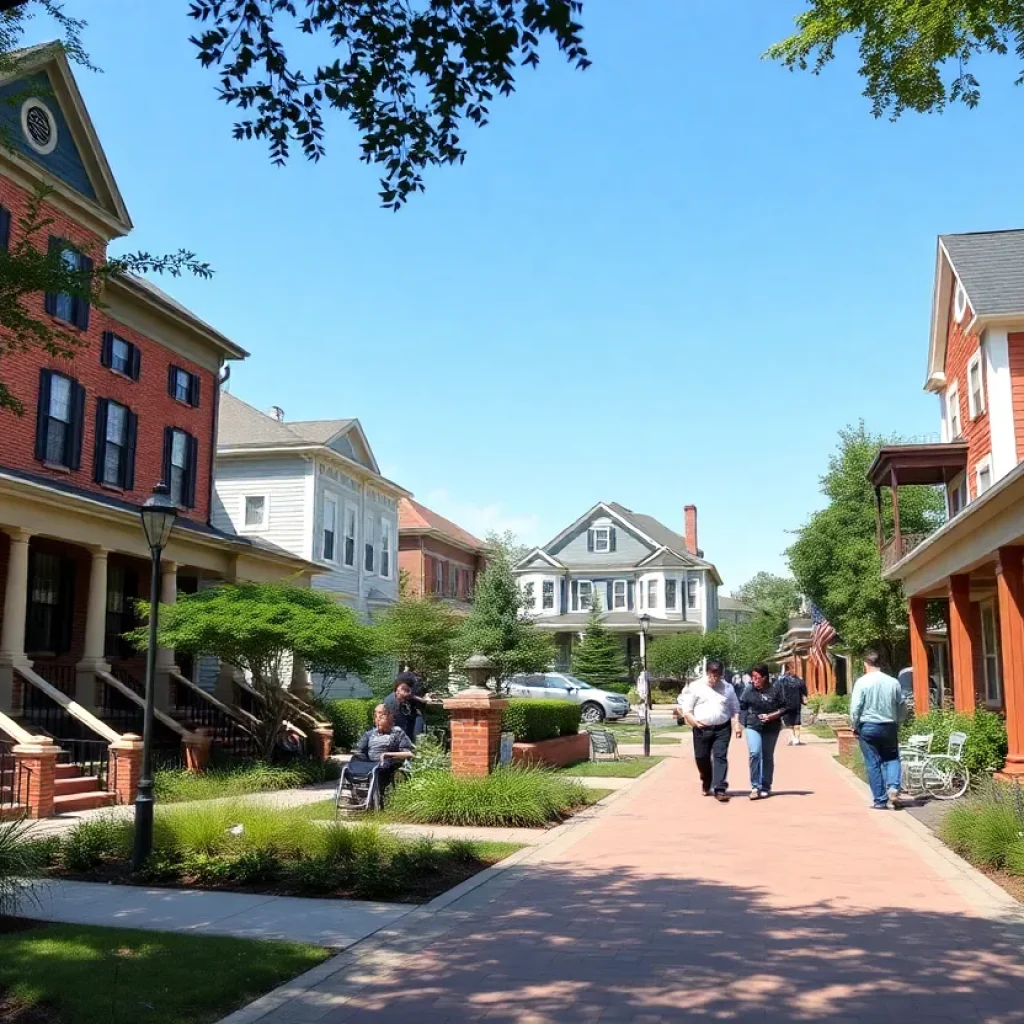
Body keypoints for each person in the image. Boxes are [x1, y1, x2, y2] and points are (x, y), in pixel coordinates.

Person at [850, 650, 908, 810]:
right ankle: (894, 787)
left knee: (873, 763)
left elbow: (856, 707)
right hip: (889, 724)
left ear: (865, 664)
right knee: (892, 757)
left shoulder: (862, 682)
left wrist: (854, 725)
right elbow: (902, 705)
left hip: (868, 725)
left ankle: (880, 800)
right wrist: (899, 721)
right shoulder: (893, 682)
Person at [677, 658, 742, 802]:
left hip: (722, 728)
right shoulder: (696, 687)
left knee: (720, 756)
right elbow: (687, 710)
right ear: (707, 673)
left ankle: (720, 788)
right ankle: (706, 780)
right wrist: (695, 723)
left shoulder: (727, 688)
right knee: (701, 757)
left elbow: (735, 708)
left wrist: (737, 724)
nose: (715, 679)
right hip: (701, 728)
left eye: (718, 675)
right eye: (713, 675)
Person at [738, 664, 787, 799]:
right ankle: (755, 786)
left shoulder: (776, 688)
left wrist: (771, 716)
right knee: (754, 753)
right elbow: (742, 706)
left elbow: (784, 708)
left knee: (767, 756)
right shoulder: (749, 690)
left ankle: (766, 786)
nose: (754, 680)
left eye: (757, 677)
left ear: (765, 677)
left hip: (771, 726)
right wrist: (740, 724)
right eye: (752, 677)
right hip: (752, 724)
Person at [351, 703, 415, 790]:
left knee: (380, 770)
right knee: (352, 764)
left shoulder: (397, 733)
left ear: (390, 717)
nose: (378, 717)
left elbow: (409, 753)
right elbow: (358, 751)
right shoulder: (369, 734)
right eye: (376, 714)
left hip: (387, 766)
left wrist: (387, 754)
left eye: (382, 714)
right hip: (370, 765)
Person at [779, 672, 808, 745]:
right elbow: (805, 691)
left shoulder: (782, 681)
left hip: (786, 704)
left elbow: (778, 692)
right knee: (797, 721)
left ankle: (793, 738)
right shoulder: (799, 681)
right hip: (796, 703)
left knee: (790, 722)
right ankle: (797, 740)